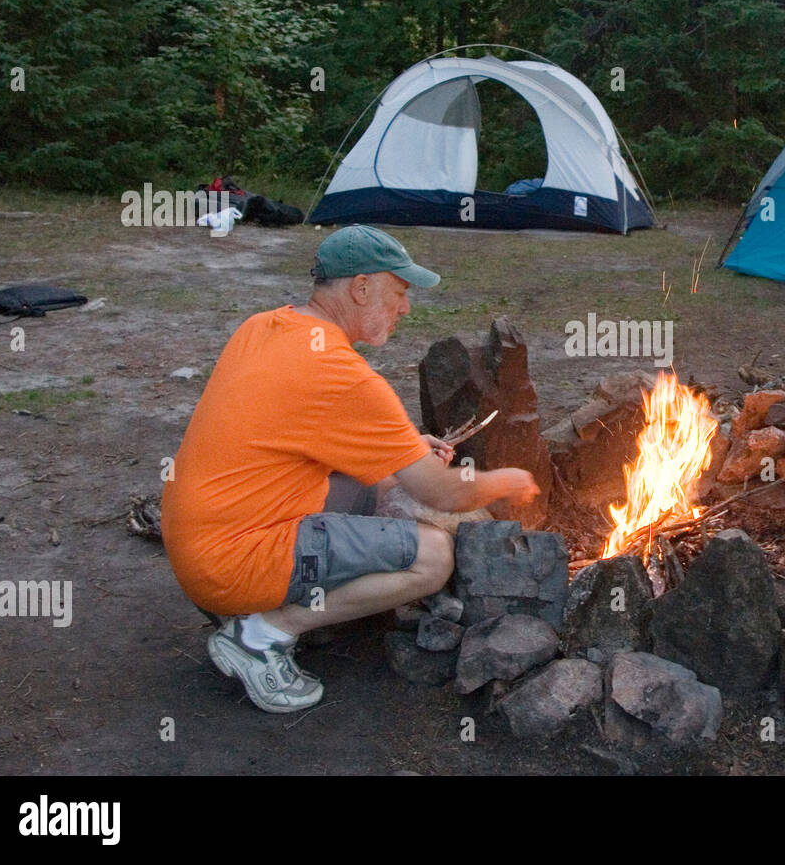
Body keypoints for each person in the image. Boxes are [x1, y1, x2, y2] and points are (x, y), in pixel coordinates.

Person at [160, 224, 539, 713]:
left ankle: (258, 605)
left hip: (195, 541)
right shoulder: (342, 376)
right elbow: (442, 493)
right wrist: (508, 481)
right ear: (361, 287)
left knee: (378, 482)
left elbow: (297, 430)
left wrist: (394, 451)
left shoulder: (265, 326)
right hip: (231, 565)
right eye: (400, 291)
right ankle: (262, 634)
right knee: (434, 556)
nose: (406, 307)